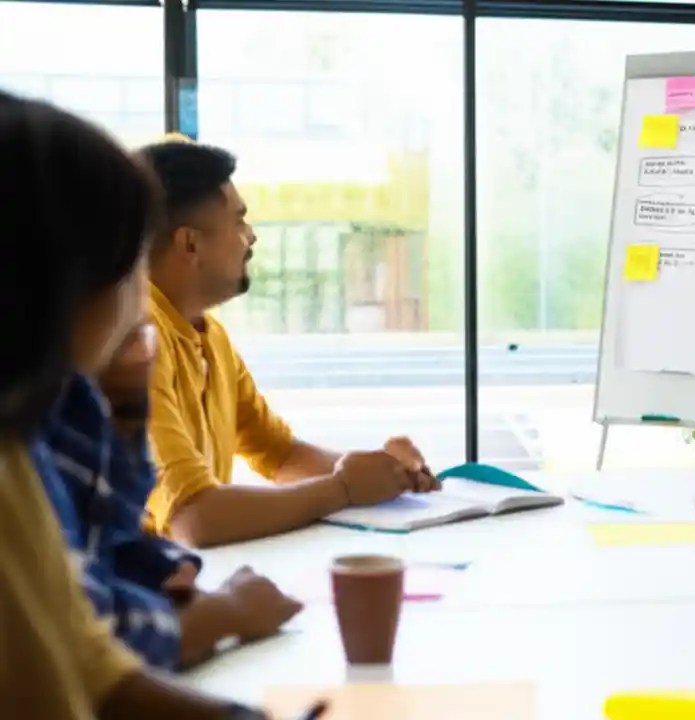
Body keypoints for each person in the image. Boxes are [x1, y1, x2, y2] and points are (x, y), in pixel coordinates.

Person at [0, 90, 294, 719]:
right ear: (62, 282)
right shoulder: (31, 441)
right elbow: (101, 641)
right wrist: (228, 611)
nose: (144, 282)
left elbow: (91, 658)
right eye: (132, 256)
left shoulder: (26, 434)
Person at [137, 140, 440, 547]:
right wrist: (344, 489)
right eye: (239, 221)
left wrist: (384, 472)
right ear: (190, 244)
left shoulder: (206, 334)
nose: (251, 236)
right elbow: (195, 519)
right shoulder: (136, 343)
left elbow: (281, 455)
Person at [39, 321, 301, 670]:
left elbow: (102, 533)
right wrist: (227, 612)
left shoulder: (76, 392)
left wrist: (161, 566)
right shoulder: (26, 427)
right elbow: (79, 646)